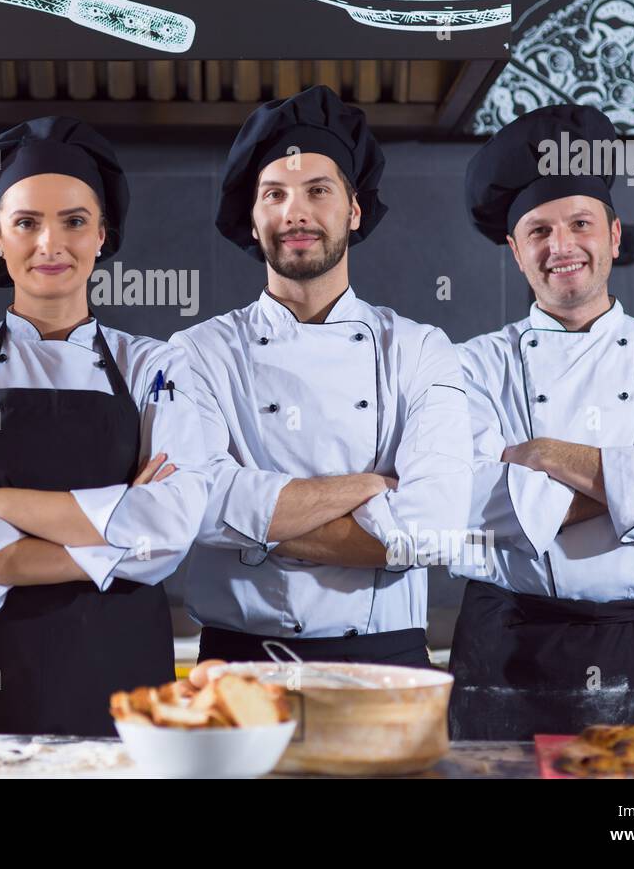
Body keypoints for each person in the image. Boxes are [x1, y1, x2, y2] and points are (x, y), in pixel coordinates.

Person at [0, 116, 208, 736]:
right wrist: (113, 543)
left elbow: (168, 526)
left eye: (75, 221)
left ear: (103, 235)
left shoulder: (157, 367)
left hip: (121, 681)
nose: (50, 244)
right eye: (27, 222)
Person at [447, 104, 634, 738]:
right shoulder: (470, 365)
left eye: (580, 223)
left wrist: (548, 454)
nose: (561, 247)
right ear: (515, 249)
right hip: (504, 644)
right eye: (538, 231)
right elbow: (459, 500)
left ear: (613, 236)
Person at [171, 85, 473, 666]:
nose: (296, 213)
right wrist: (369, 488)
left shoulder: (419, 348)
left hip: (386, 664)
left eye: (318, 190)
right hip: (240, 666)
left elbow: (435, 527)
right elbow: (192, 505)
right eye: (275, 194)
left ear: (354, 209)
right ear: (252, 217)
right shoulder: (197, 352)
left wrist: (254, 523)